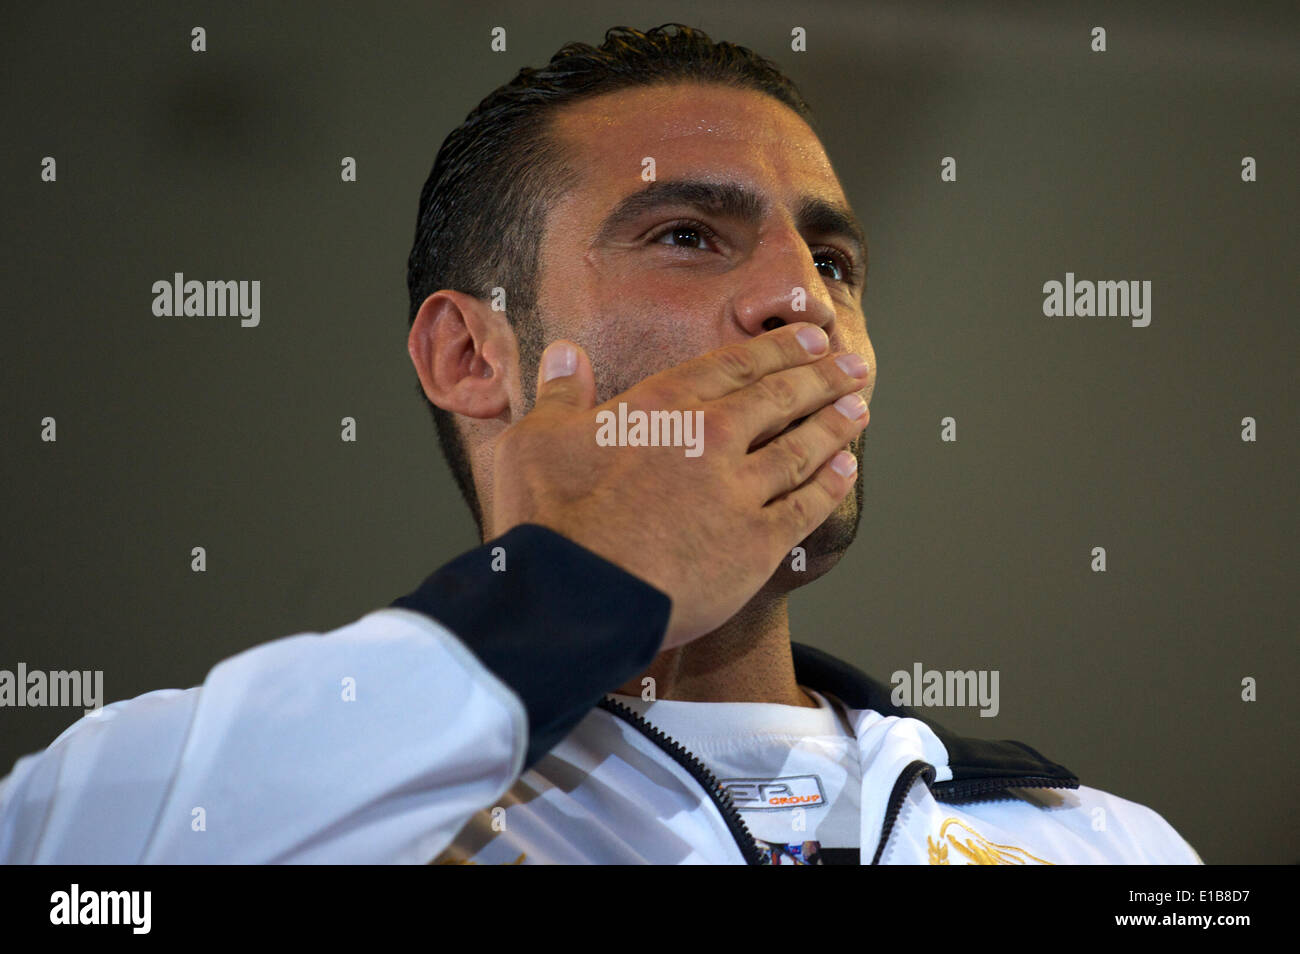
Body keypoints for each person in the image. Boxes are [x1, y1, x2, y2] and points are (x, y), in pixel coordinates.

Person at [0, 24, 1200, 865]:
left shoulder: (1101, 843)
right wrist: (567, 593)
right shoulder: (161, 785)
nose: (803, 302)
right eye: (686, 234)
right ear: (472, 358)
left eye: (833, 262)